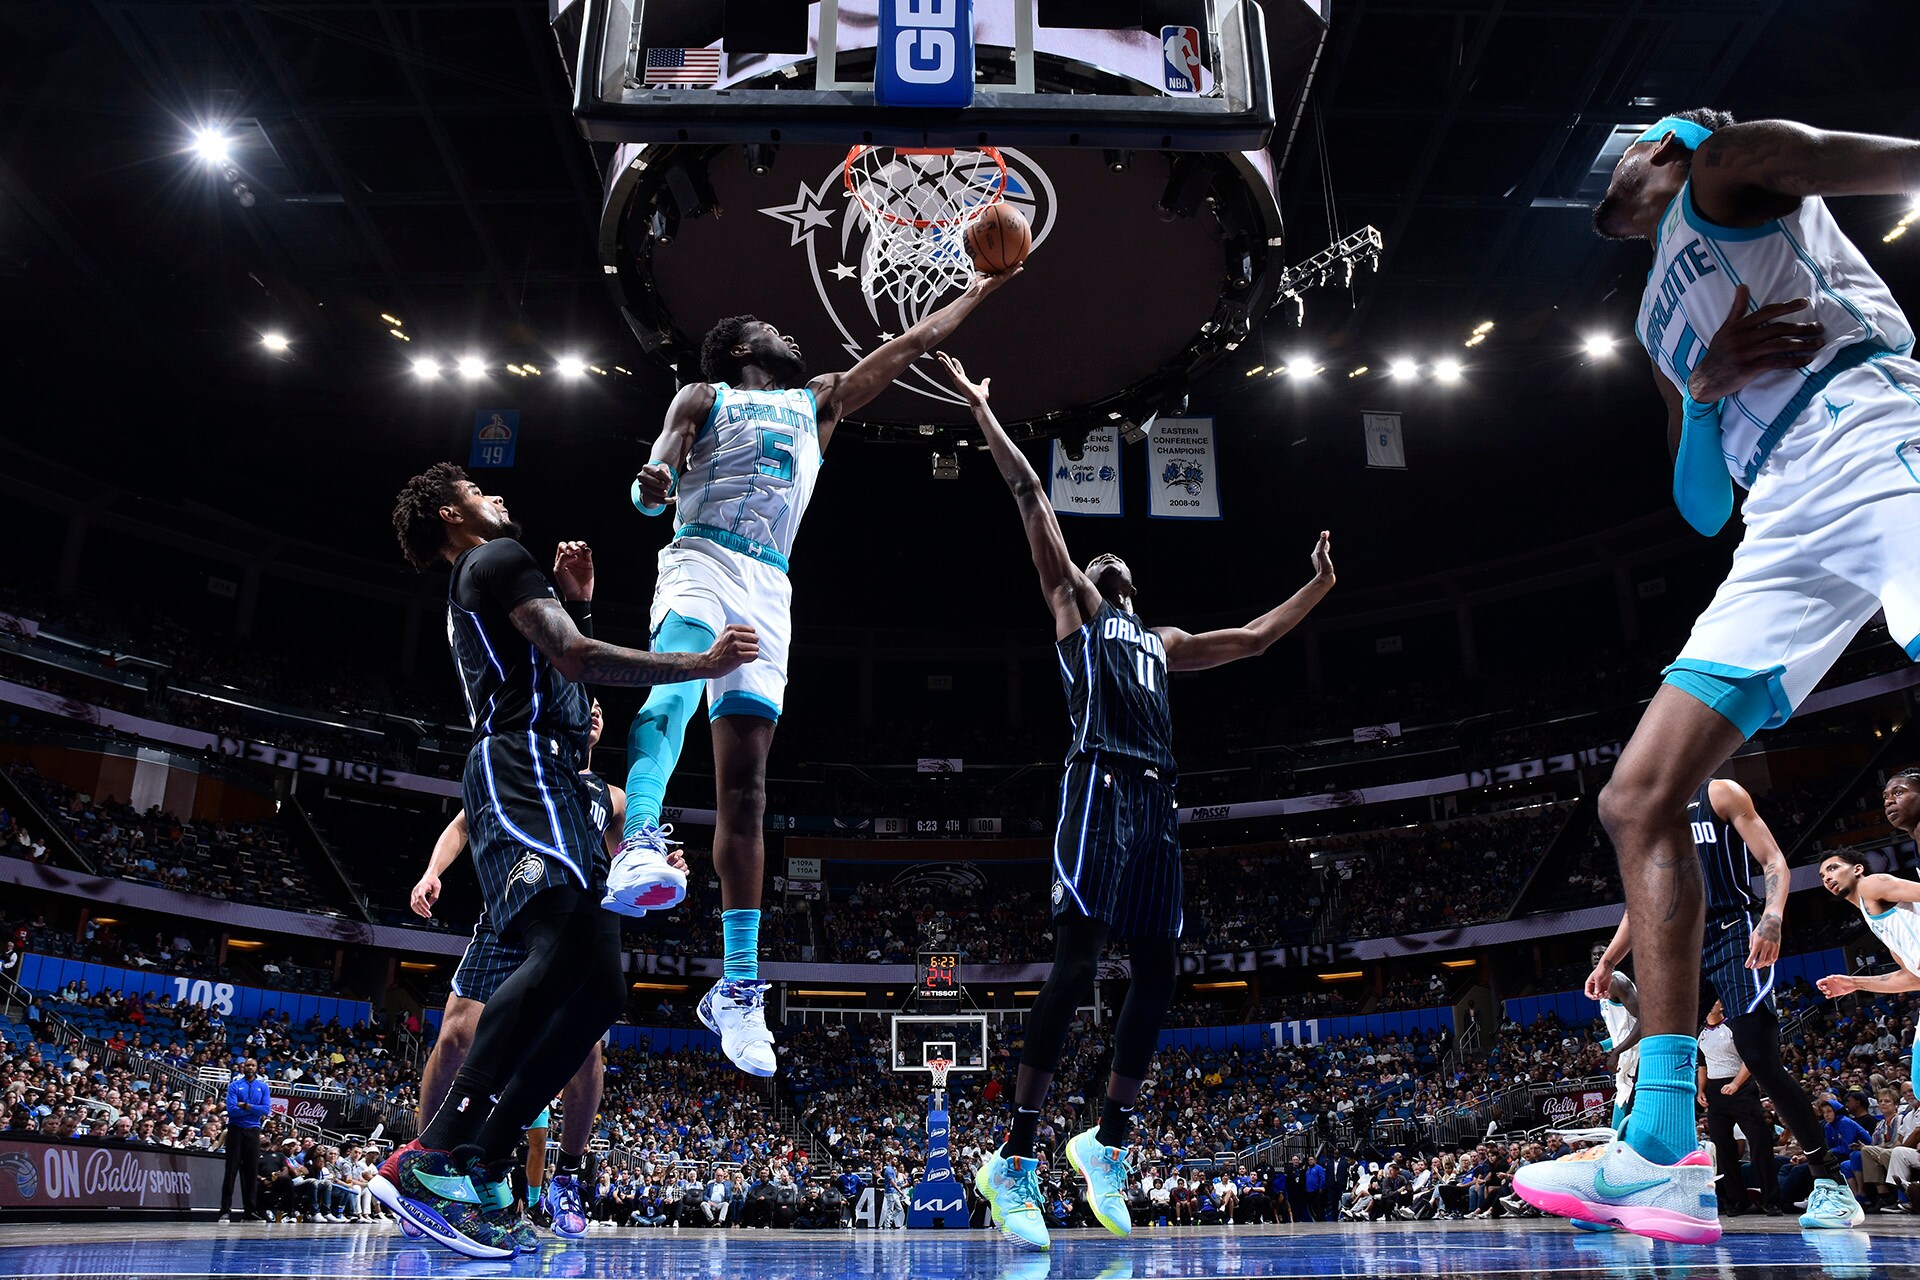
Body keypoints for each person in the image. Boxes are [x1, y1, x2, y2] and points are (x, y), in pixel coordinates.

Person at [1517, 104, 1920, 1247]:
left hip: (1869, 425)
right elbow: (1700, 507)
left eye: (1637, 146)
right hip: (1780, 516)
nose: (1619, 170)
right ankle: (1660, 1146)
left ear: (1669, 146)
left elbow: (1890, 158)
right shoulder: (1656, 318)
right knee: (1637, 795)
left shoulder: (1736, 166)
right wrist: (1702, 388)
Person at [949, 351, 1335, 1252]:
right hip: (1099, 781)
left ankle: (1107, 1144)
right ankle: (1013, 1159)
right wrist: (981, 410)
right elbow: (1031, 500)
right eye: (1100, 551)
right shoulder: (1076, 605)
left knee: (1159, 974)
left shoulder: (1161, 640)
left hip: (1159, 802)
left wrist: (1319, 583)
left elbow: (1249, 640)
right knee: (1079, 966)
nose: (1110, 555)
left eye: (1120, 555)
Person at [607, 268, 1019, 1081]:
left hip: (769, 585)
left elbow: (911, 345)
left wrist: (985, 284)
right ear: (735, 348)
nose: (789, 337)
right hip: (702, 558)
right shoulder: (702, 395)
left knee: (749, 791)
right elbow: (653, 479)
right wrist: (649, 487)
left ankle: (739, 986)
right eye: (769, 327)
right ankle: (641, 840)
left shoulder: (819, 399)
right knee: (673, 692)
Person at [376, 466, 756, 1259]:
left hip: (552, 773)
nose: (499, 496)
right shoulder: (495, 556)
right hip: (523, 769)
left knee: (602, 987)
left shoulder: (501, 571)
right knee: (561, 948)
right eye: (480, 490)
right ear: (453, 513)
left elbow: (559, 661)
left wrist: (576, 601)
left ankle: (484, 1157)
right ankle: (432, 1154)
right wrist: (702, 665)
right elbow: (576, 660)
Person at [407, 696, 656, 1241]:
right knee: (454, 1037)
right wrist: (432, 872)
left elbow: (621, 860)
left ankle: (566, 1174)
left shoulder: (611, 797)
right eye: (583, 703)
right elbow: (464, 824)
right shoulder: (532, 764)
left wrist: (656, 867)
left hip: (573, 913)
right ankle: (429, 1168)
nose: (592, 711)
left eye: (599, 707)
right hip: (517, 909)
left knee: (587, 1046)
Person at [1581, 776, 1858, 1229]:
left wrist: (1772, 916)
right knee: (1658, 1062)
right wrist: (1609, 961)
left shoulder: (1720, 792)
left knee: (1759, 1057)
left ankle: (1831, 1183)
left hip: (1736, 930)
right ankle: (1636, 1187)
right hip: (1683, 942)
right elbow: (1640, 902)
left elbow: (1773, 861)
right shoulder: (1651, 813)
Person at [220, 1056, 270, 1222]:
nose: (250, 1067)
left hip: (253, 1132)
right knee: (231, 1170)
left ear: (256, 1067)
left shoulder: (262, 1087)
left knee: (251, 1172)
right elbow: (232, 1110)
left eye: (253, 1065)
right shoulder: (235, 1086)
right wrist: (253, 1111)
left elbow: (265, 1110)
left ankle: (250, 1211)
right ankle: (225, 1210)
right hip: (235, 1130)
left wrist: (247, 1106)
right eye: (247, 1065)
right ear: (243, 1067)